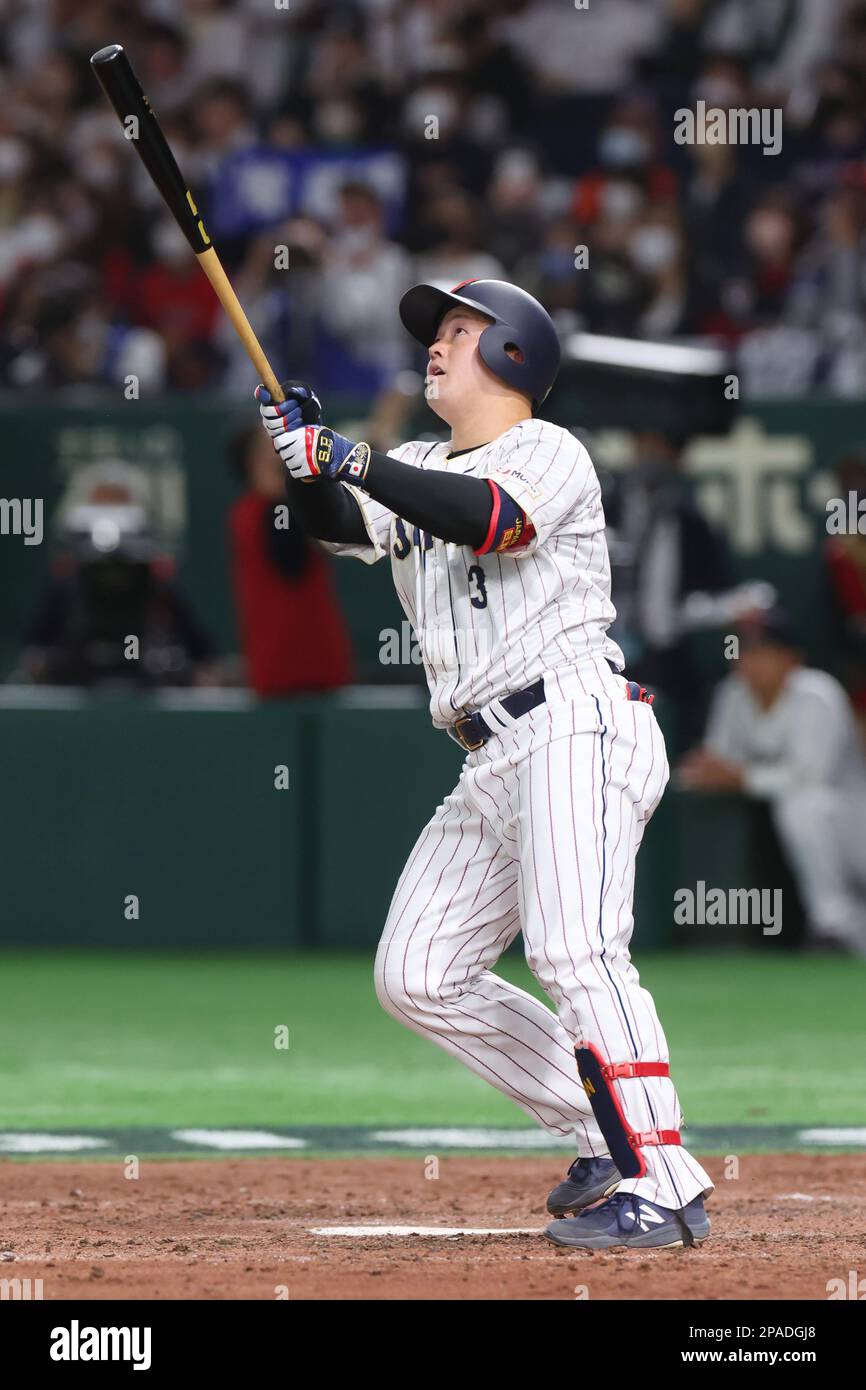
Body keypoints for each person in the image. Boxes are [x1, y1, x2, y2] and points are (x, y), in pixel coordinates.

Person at [255, 278, 714, 1251]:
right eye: (434, 333)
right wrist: (303, 463)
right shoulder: (415, 461)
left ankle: (663, 1181)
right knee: (416, 972)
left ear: (513, 356)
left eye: (459, 332)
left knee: (574, 950)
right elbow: (336, 525)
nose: (435, 346)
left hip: (573, 722)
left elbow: (491, 518)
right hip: (489, 753)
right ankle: (602, 1130)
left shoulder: (550, 452)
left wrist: (351, 456)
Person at [678, 608, 866, 955]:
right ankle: (832, 926)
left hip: (853, 816)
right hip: (805, 831)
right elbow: (718, 759)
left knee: (803, 804)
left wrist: (739, 776)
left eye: (763, 652)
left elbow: (809, 776)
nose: (750, 662)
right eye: (744, 652)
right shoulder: (731, 693)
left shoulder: (817, 694)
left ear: (790, 658)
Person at [228, 425, 353, 697]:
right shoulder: (257, 511)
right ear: (254, 459)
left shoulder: (268, 508)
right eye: (271, 447)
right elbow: (291, 561)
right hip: (280, 664)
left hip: (319, 660)